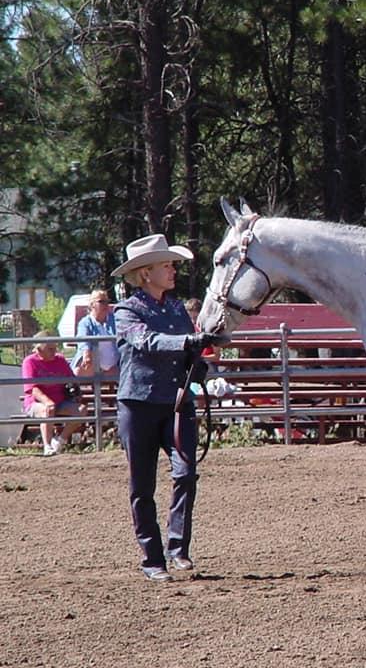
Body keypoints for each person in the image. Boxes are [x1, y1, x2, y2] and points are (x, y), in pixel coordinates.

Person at [111, 234, 229, 582]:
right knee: (142, 485)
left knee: (186, 473)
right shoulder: (127, 311)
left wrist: (199, 357)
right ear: (146, 273)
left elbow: (185, 351)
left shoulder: (176, 309)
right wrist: (187, 342)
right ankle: (152, 558)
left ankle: (178, 547)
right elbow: (146, 342)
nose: (173, 270)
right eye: (166, 265)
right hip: (139, 404)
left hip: (177, 403)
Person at [22, 331, 86, 455]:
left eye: (54, 348)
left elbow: (71, 379)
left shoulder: (60, 360)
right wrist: (47, 402)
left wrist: (75, 390)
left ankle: (60, 440)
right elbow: (32, 389)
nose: (54, 351)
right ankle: (47, 446)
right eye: (50, 349)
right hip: (36, 402)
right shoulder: (30, 362)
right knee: (48, 409)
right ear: (39, 350)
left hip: (60, 401)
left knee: (81, 410)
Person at [71, 289, 119, 378]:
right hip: (93, 364)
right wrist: (87, 354)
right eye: (101, 301)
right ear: (92, 304)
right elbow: (83, 340)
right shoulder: (85, 322)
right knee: (78, 371)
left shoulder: (115, 320)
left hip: (115, 363)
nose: (106, 304)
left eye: (107, 301)